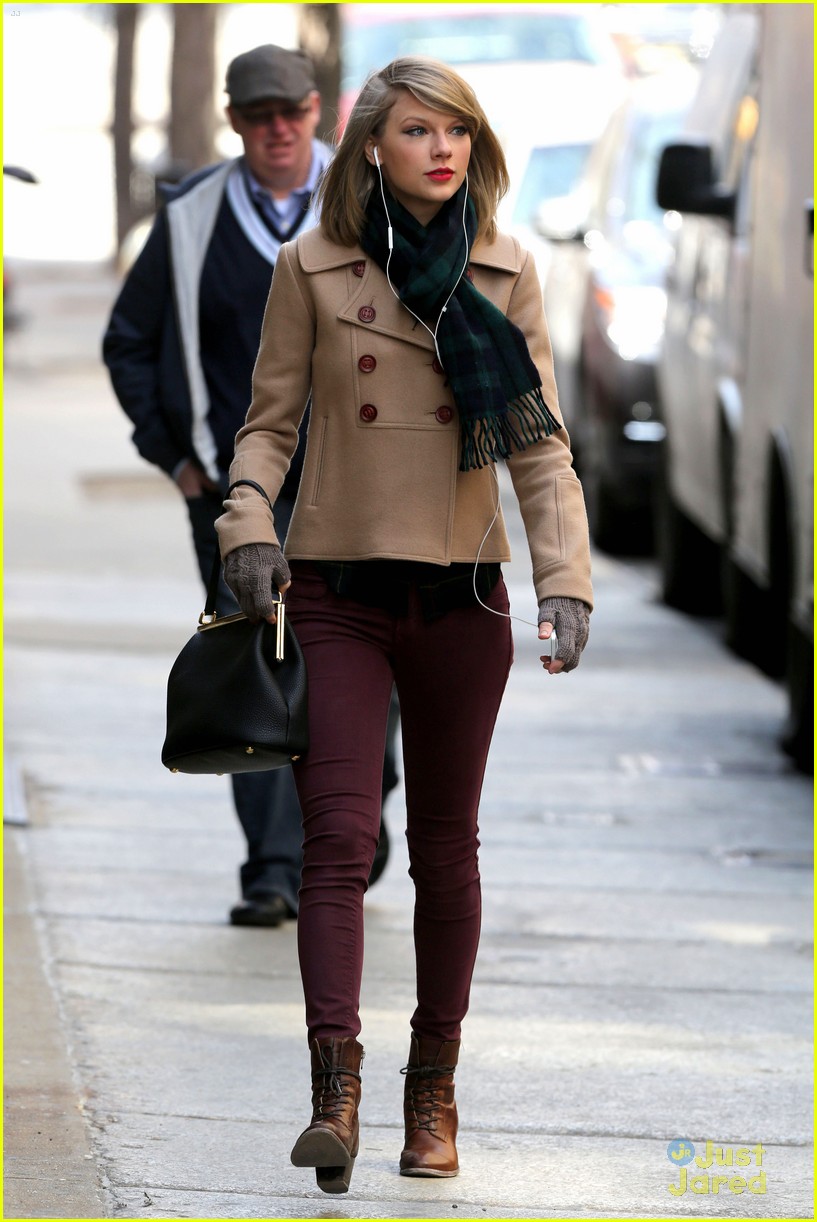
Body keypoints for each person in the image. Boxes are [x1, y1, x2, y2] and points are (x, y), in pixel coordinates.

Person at [216, 56, 593, 1193]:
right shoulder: (312, 269)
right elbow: (269, 426)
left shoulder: (506, 271)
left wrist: (562, 574)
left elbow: (538, 443)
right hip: (335, 593)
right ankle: (334, 1093)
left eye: (459, 134)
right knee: (334, 839)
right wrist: (245, 520)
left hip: (463, 600)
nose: (442, 151)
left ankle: (433, 1091)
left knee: (445, 851)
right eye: (420, 131)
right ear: (371, 146)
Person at [103, 44, 396, 930]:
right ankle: (275, 870)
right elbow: (130, 342)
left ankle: (353, 824)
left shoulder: (371, 207)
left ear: (320, 115)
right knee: (258, 667)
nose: (279, 128)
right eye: (260, 114)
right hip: (236, 495)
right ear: (233, 122)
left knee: (361, 666)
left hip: (358, 490)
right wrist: (178, 457)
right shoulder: (191, 219)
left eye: (294, 111)